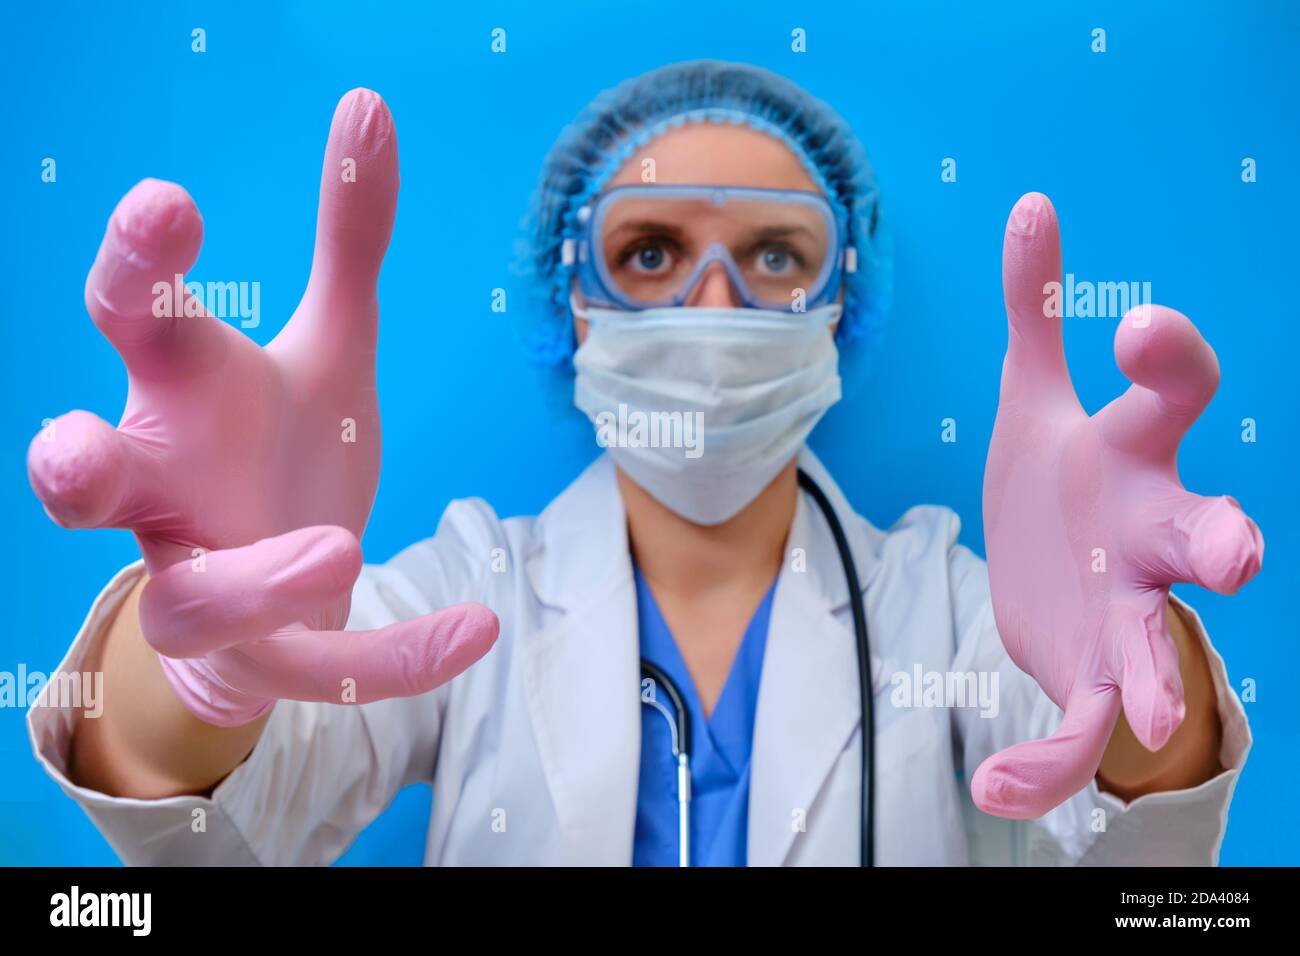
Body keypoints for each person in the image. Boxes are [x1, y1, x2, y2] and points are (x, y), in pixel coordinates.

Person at [26, 61, 1260, 866]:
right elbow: (213, 814)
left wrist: (1138, 665)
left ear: (844, 307)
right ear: (572, 306)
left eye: (777, 256)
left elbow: (1141, 849)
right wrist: (196, 671)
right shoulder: (472, 585)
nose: (713, 302)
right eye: (652, 252)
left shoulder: (944, 601)